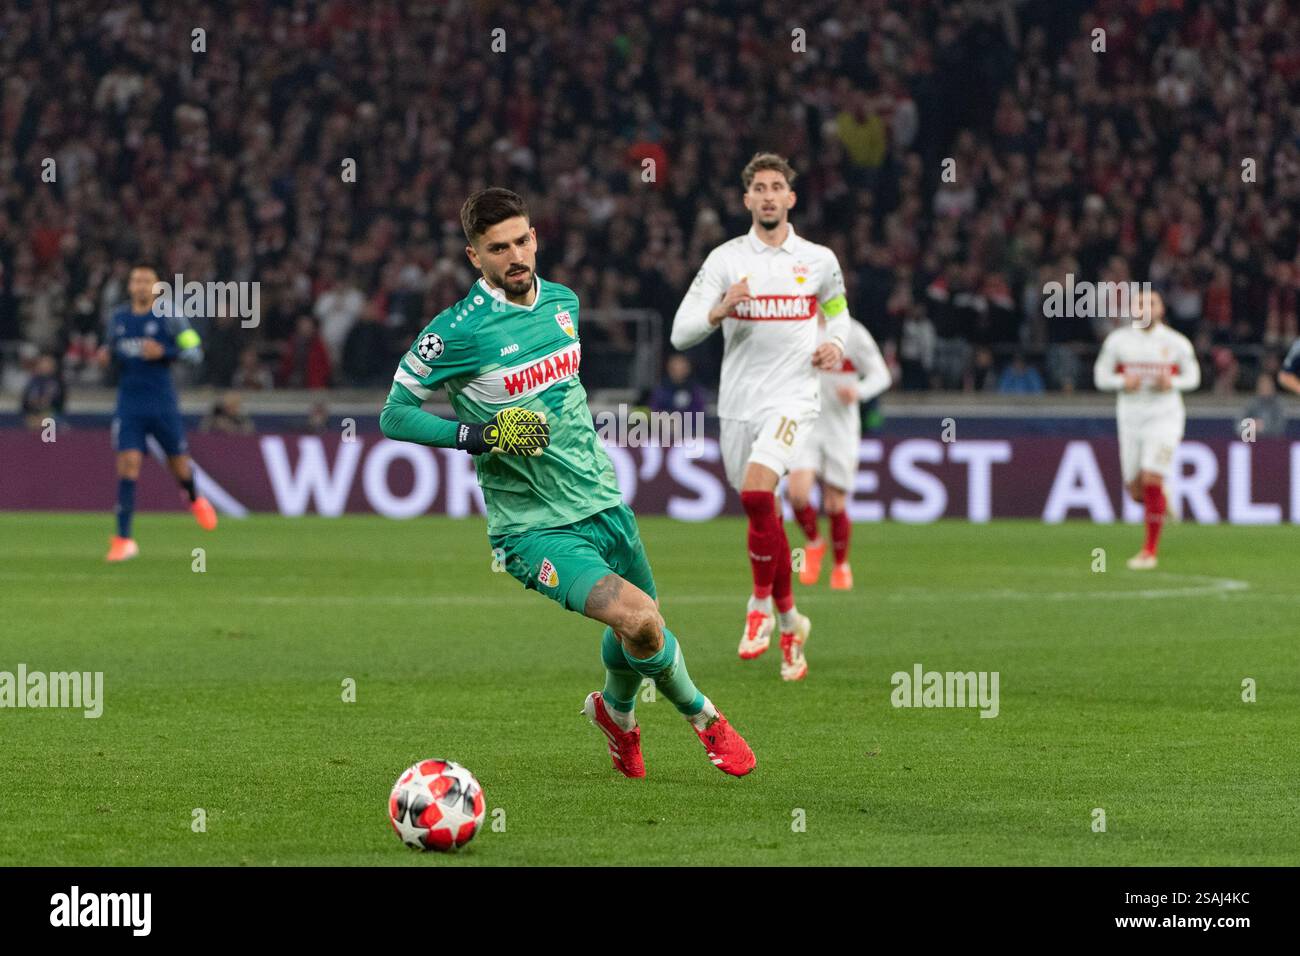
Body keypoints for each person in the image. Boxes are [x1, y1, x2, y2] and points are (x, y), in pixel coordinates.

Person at [380, 188, 754, 779]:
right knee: (640, 620)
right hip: (533, 528)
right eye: (497, 247)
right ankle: (705, 718)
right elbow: (394, 414)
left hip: (602, 500)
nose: (515, 255)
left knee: (641, 626)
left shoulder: (563, 303)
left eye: (522, 240)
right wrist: (478, 436)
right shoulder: (455, 331)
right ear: (474, 256)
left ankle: (616, 717)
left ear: (535, 237)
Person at [670, 152, 850, 681]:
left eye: (777, 187)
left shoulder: (818, 260)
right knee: (762, 510)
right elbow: (681, 333)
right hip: (739, 406)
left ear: (791, 197)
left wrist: (834, 345)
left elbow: (838, 313)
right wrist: (719, 309)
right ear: (747, 199)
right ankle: (792, 619)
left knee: (756, 493)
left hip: (794, 399)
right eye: (759, 188)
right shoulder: (726, 261)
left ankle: (758, 606)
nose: (769, 196)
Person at [96, 264, 217, 561]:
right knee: (128, 463)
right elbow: (112, 350)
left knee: (179, 465)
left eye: (146, 281)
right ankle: (123, 539)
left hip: (162, 403)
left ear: (157, 286)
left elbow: (195, 352)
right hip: (129, 403)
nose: (140, 285)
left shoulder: (171, 316)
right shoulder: (119, 318)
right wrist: (105, 356)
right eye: (135, 280)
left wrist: (165, 353)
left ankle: (193, 496)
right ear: (129, 286)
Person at [1093, 290, 1199, 570]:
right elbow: (1100, 376)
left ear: (1161, 309)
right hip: (1130, 418)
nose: (1145, 308)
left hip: (1165, 416)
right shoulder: (1119, 341)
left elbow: (1194, 377)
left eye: (1151, 303)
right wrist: (1121, 381)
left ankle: (1149, 551)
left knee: (1152, 478)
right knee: (1136, 491)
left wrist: (1172, 383)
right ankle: (1162, 495)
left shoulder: (1176, 343)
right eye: (1139, 303)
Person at [787, 318, 891, 591]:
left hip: (840, 428)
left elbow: (881, 374)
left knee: (835, 504)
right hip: (805, 424)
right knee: (797, 494)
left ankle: (841, 564)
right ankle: (814, 542)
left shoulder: (854, 334)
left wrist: (858, 391)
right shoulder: (797, 328)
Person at [21, 353, 65, 429]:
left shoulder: (57, 382)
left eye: (47, 364)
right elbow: (26, 401)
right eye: (42, 363)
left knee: (47, 421)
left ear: (53, 366)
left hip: (52, 415)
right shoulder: (33, 381)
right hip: (32, 415)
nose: (44, 366)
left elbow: (58, 403)